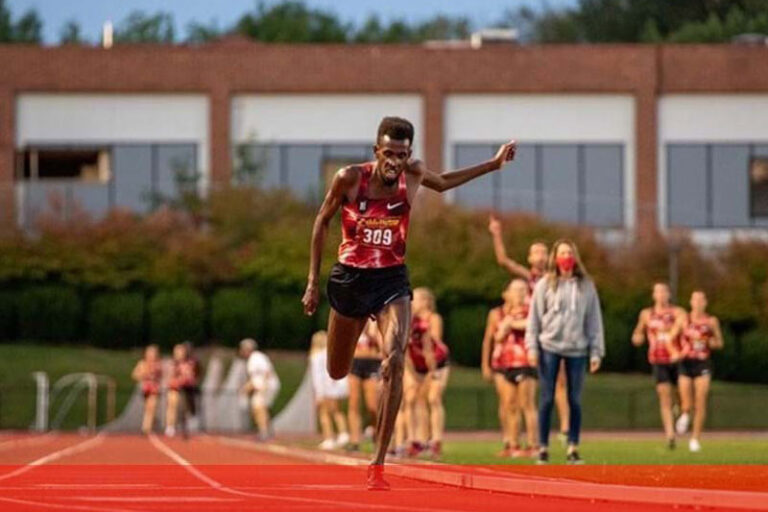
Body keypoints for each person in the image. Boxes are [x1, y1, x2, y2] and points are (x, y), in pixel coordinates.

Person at [301, 116, 517, 489]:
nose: (394, 162)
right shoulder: (349, 178)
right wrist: (311, 283)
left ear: (409, 154)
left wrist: (494, 164)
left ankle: (379, 463)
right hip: (351, 279)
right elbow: (321, 222)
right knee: (338, 371)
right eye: (388, 154)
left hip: (390, 279)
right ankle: (375, 447)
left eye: (401, 155)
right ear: (376, 151)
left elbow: (445, 182)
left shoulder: (413, 175)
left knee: (395, 358)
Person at [488, 216, 569, 443]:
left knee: (560, 380)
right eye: (536, 252)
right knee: (524, 389)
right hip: (533, 332)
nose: (540, 256)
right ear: (530, 258)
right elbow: (503, 261)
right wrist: (496, 234)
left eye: (544, 252)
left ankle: (565, 427)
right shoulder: (530, 278)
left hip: (553, 330)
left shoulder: (556, 278)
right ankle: (515, 437)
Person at [525, 239, 605, 464]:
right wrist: (532, 347)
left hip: (577, 348)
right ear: (555, 257)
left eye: (569, 252)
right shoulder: (545, 284)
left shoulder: (586, 285)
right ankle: (542, 447)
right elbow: (534, 318)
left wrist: (596, 351)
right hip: (549, 346)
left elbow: (593, 320)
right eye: (562, 253)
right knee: (547, 397)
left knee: (574, 399)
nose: (566, 257)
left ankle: (573, 447)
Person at [482, 279, 538, 457]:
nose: (520, 293)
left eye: (523, 290)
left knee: (527, 404)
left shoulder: (531, 311)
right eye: (516, 290)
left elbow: (533, 326)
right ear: (506, 294)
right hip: (502, 363)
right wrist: (485, 364)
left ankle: (533, 445)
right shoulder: (497, 313)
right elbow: (493, 338)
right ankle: (512, 444)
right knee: (509, 404)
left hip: (524, 362)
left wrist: (511, 325)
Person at [631, 282, 686, 449]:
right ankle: (670, 435)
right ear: (653, 295)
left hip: (677, 360)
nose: (661, 295)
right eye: (658, 291)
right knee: (664, 396)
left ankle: (681, 408)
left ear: (668, 294)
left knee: (682, 396)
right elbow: (638, 333)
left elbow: (685, 329)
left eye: (664, 291)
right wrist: (637, 338)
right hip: (658, 360)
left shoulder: (677, 312)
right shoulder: (647, 314)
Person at [403, 287, 449, 460]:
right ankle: (419, 440)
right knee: (416, 399)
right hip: (417, 363)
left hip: (437, 362)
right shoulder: (409, 321)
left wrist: (432, 371)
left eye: (417, 299)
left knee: (433, 398)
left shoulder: (431, 319)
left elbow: (433, 344)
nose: (413, 302)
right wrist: (413, 372)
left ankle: (436, 440)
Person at [675, 290, 724, 452]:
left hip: (703, 362)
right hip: (686, 362)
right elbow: (670, 337)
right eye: (695, 299)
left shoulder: (711, 321)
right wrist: (676, 352)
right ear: (691, 302)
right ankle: (685, 413)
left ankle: (695, 438)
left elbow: (719, 343)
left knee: (701, 399)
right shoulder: (684, 320)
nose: (698, 303)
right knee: (686, 401)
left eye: (701, 299)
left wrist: (710, 341)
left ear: (705, 303)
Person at [309, 331, 350, 450]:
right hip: (336, 385)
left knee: (324, 413)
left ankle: (329, 438)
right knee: (337, 411)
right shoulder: (332, 353)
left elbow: (317, 376)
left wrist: (319, 394)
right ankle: (343, 434)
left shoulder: (316, 356)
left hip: (325, 388)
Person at [347, 320, 383, 452]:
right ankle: (354, 440)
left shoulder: (374, 322)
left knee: (372, 406)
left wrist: (370, 334)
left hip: (372, 362)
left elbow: (382, 346)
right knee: (354, 402)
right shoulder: (354, 321)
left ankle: (376, 434)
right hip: (355, 362)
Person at [240, 338, 281, 441]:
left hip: (267, 386)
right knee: (260, 408)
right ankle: (267, 431)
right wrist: (246, 388)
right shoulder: (252, 360)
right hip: (263, 386)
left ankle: (264, 433)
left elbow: (267, 371)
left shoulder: (257, 358)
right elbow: (254, 379)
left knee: (258, 407)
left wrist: (264, 386)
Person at [132, 344, 162, 435]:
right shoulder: (142, 363)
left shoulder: (158, 364)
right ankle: (153, 422)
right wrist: (143, 375)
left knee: (151, 406)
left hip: (155, 389)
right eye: (149, 353)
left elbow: (163, 375)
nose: (151, 355)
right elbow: (135, 375)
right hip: (145, 388)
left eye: (153, 353)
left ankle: (146, 428)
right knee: (147, 408)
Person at [165, 343, 189, 438]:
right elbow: (168, 376)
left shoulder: (186, 364)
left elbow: (188, 376)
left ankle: (183, 426)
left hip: (183, 389)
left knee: (183, 409)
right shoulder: (171, 363)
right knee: (172, 407)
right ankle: (170, 426)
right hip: (173, 389)